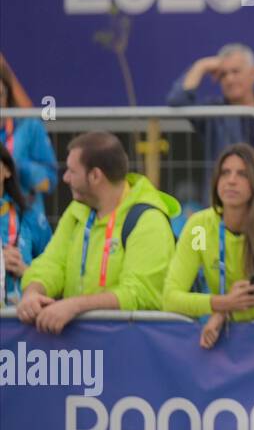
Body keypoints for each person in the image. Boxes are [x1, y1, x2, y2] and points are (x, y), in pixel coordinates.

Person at [16, 132, 179, 334]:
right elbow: (52, 263)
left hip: (130, 351)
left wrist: (73, 306)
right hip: (81, 352)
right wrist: (33, 293)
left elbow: (139, 293)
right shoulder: (78, 210)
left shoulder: (148, 219)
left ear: (95, 176)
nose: (65, 178)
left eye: (71, 171)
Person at [164, 144, 254, 347]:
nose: (231, 180)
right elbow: (171, 297)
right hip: (229, 341)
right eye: (225, 173)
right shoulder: (199, 227)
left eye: (242, 174)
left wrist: (226, 313)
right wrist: (222, 303)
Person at [167, 44, 254, 175]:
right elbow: (177, 100)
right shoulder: (213, 115)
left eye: (235, 72)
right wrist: (201, 66)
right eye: (223, 75)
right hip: (226, 192)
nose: (229, 79)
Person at [0, 59, 58, 216]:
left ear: (8, 93)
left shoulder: (29, 127)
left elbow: (50, 181)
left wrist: (15, 167)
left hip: (23, 222)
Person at [1, 146, 52, 304]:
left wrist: (27, 272)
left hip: (22, 323)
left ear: (7, 171)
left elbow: (55, 272)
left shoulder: (30, 217)